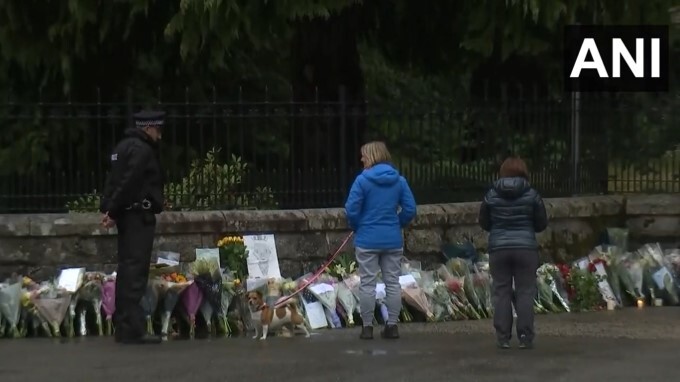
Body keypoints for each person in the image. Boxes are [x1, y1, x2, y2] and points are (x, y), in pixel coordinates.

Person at [99, 110, 166, 345]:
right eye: (158, 130)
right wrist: (113, 211)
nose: (159, 135)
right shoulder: (142, 150)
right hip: (138, 216)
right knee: (134, 272)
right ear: (148, 128)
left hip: (129, 216)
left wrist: (108, 208)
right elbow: (129, 181)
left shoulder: (122, 147)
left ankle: (124, 325)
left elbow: (113, 179)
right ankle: (131, 328)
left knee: (128, 268)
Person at [344, 141, 417, 340]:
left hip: (367, 239)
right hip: (392, 239)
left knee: (367, 283)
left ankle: (367, 327)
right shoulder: (399, 181)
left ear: (372, 156)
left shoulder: (362, 181)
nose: (361, 159)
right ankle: (392, 326)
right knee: (392, 283)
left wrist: (358, 225)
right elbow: (410, 209)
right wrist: (397, 223)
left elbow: (351, 210)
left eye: (364, 155)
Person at [478, 156, 548, 350]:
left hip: (499, 248)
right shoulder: (532, 194)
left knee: (501, 291)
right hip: (526, 248)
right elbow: (541, 223)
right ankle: (525, 335)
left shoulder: (491, 194)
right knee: (525, 291)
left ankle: (503, 337)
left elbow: (483, 221)